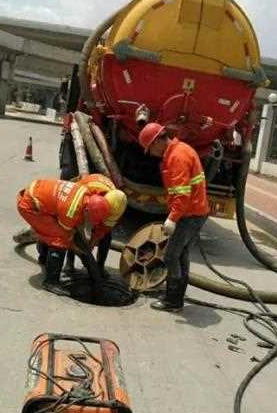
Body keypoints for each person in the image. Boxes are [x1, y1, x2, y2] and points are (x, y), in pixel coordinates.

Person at [137, 123, 209, 311]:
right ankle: (176, 296)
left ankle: (172, 301)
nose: (150, 153)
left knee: (170, 257)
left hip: (189, 214)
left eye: (149, 148)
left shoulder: (177, 157)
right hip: (195, 212)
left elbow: (182, 194)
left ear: (158, 141)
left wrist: (173, 218)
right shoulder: (178, 151)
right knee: (181, 254)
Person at [16, 178, 125, 295]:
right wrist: (81, 251)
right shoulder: (71, 211)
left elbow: (78, 227)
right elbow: (69, 236)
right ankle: (51, 282)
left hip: (39, 196)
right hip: (30, 206)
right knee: (59, 239)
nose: (90, 223)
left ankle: (43, 258)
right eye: (90, 220)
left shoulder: (86, 194)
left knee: (54, 232)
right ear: (87, 210)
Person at [63, 174, 127, 277]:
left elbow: (103, 228)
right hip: (82, 201)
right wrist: (83, 251)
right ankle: (69, 263)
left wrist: (92, 243)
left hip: (103, 200)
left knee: (107, 236)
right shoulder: (87, 191)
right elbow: (77, 225)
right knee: (74, 230)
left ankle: (100, 266)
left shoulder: (118, 201)